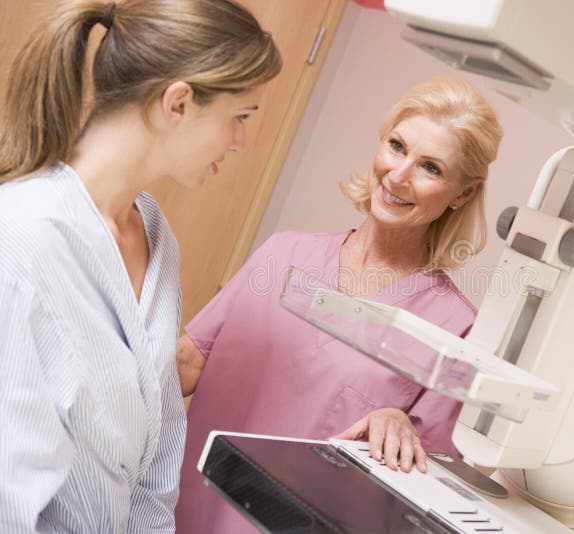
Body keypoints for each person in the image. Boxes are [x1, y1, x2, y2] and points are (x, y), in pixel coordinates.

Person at [175, 77, 503, 533]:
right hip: (174, 514)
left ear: (463, 193)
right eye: (397, 146)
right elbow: (186, 363)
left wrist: (395, 424)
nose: (398, 175)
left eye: (430, 168)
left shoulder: (455, 328)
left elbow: (424, 489)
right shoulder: (283, 255)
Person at [0, 0, 280, 531]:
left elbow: (161, 439)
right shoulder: (19, 239)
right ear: (178, 103)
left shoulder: (155, 237)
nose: (240, 142)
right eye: (239, 117)